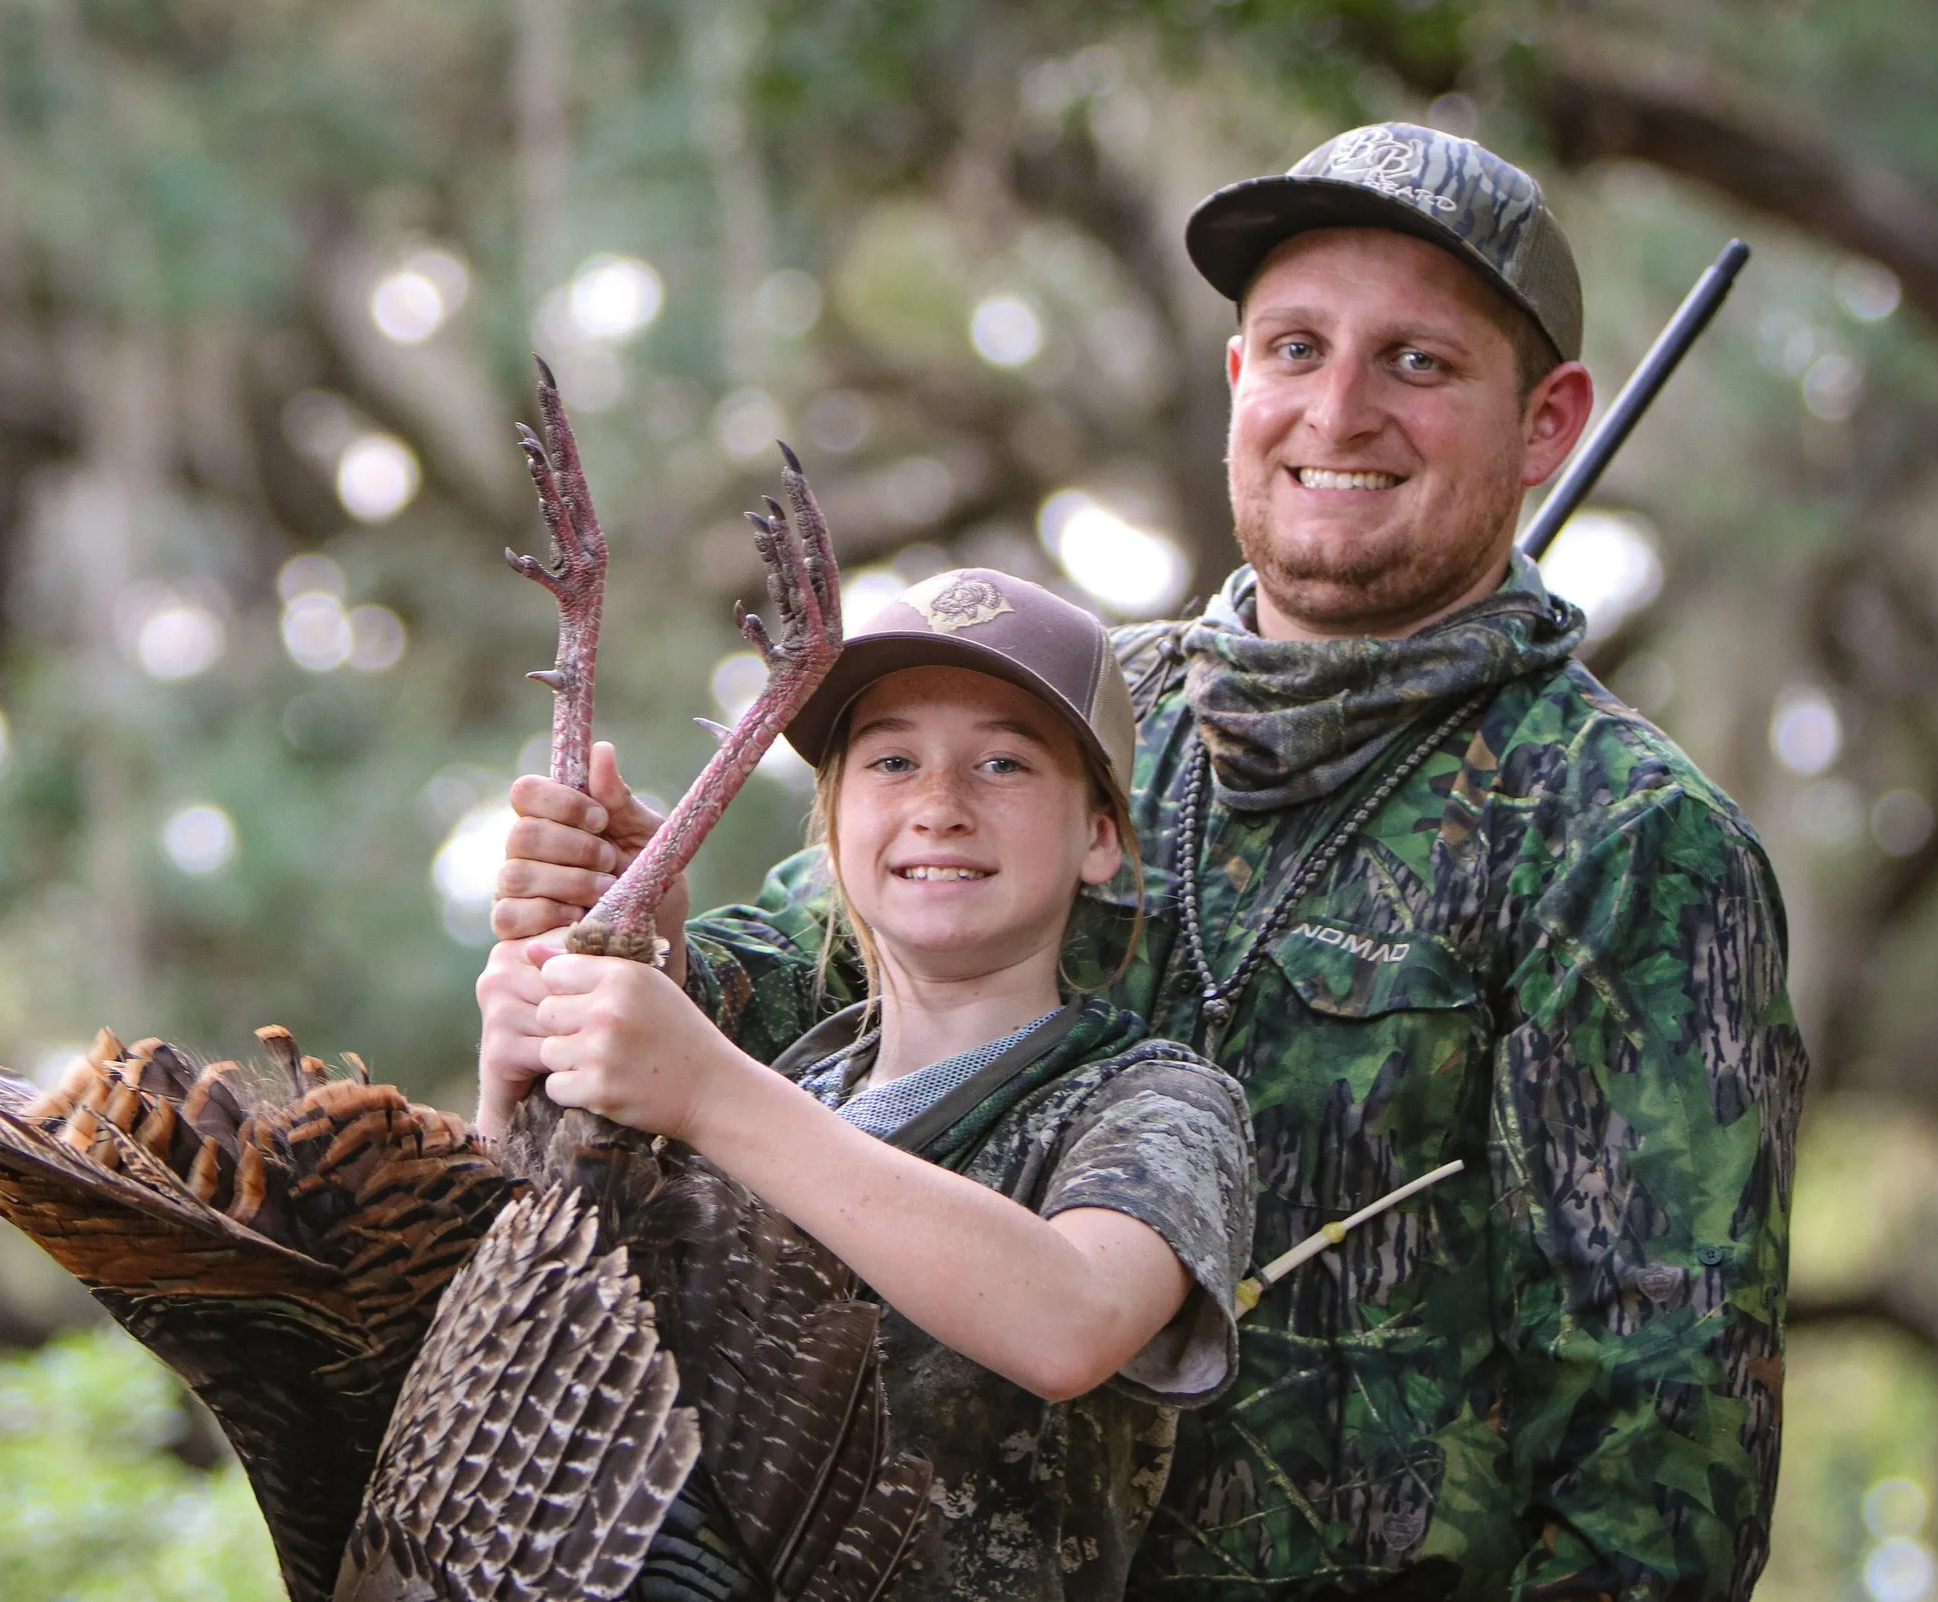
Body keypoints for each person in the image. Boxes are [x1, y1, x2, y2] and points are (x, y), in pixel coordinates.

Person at [489, 123, 1808, 1600]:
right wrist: (625, 927)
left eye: (1418, 364)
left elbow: (1663, 1470)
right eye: (1296, 347)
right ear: (1239, 378)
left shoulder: (1628, 840)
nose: (1342, 409)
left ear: (1549, 422)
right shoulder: (1076, 715)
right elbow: (782, 994)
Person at [477, 570, 1256, 1601]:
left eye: (1004, 763)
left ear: (1100, 838)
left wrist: (709, 1092)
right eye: (891, 760)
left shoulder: (1153, 1103)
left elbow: (1074, 1321)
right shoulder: (780, 1079)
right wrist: (514, 1087)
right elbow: (516, 1354)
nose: (940, 806)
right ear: (833, 823)